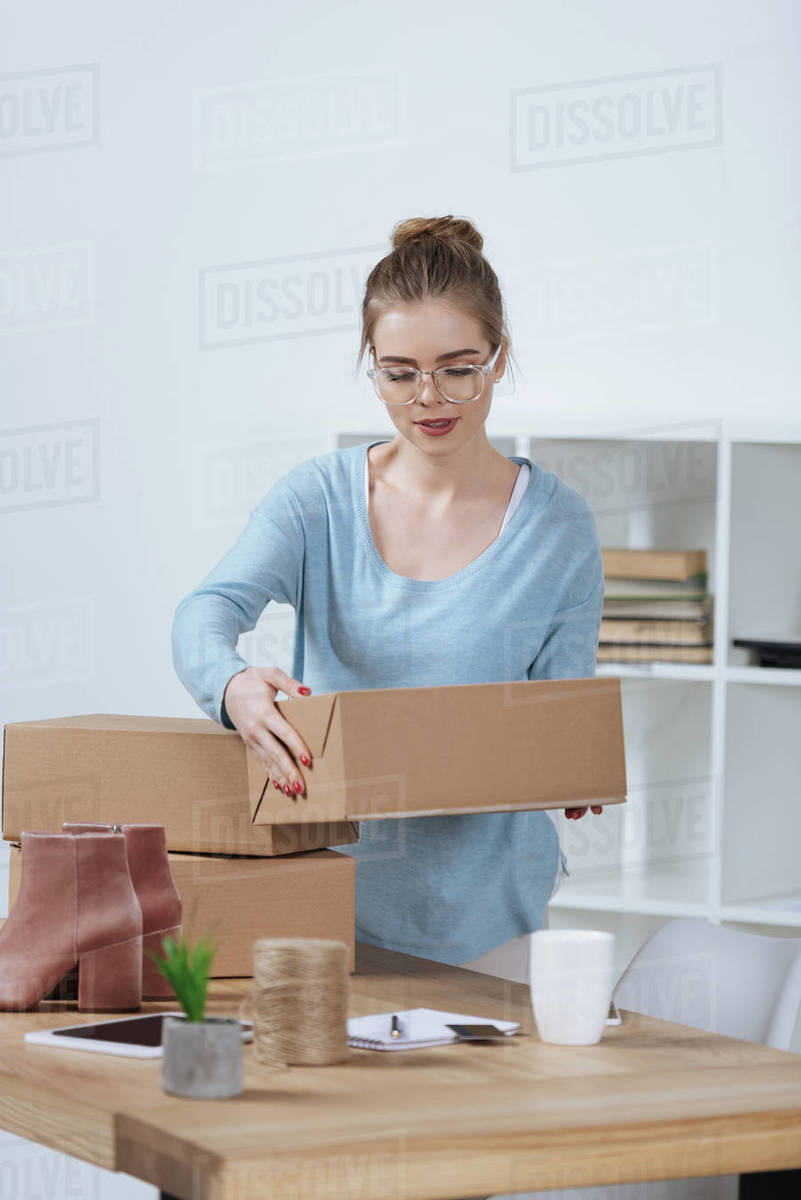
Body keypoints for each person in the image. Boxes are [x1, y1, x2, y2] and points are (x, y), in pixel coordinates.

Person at [171, 214, 604, 984]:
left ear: (498, 360)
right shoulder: (316, 501)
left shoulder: (557, 525)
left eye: (457, 368)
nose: (427, 397)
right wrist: (232, 685)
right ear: (372, 366)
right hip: (326, 904)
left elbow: (556, 705)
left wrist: (569, 768)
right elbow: (206, 610)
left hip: (492, 918)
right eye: (398, 372)